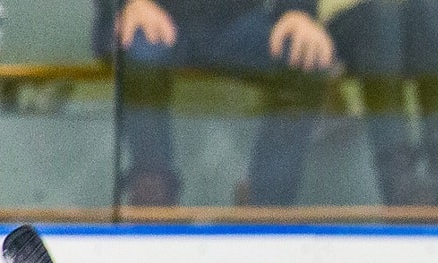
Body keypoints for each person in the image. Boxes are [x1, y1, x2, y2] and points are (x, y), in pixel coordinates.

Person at [92, 0, 335, 206]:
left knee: (305, 58)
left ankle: (266, 207)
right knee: (139, 49)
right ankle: (153, 201)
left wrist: (297, 11)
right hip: (148, 16)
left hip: (232, 18)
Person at [319, 0, 438, 206]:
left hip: (417, 19)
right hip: (350, 17)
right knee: (384, 15)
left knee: (427, 9)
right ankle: (398, 180)